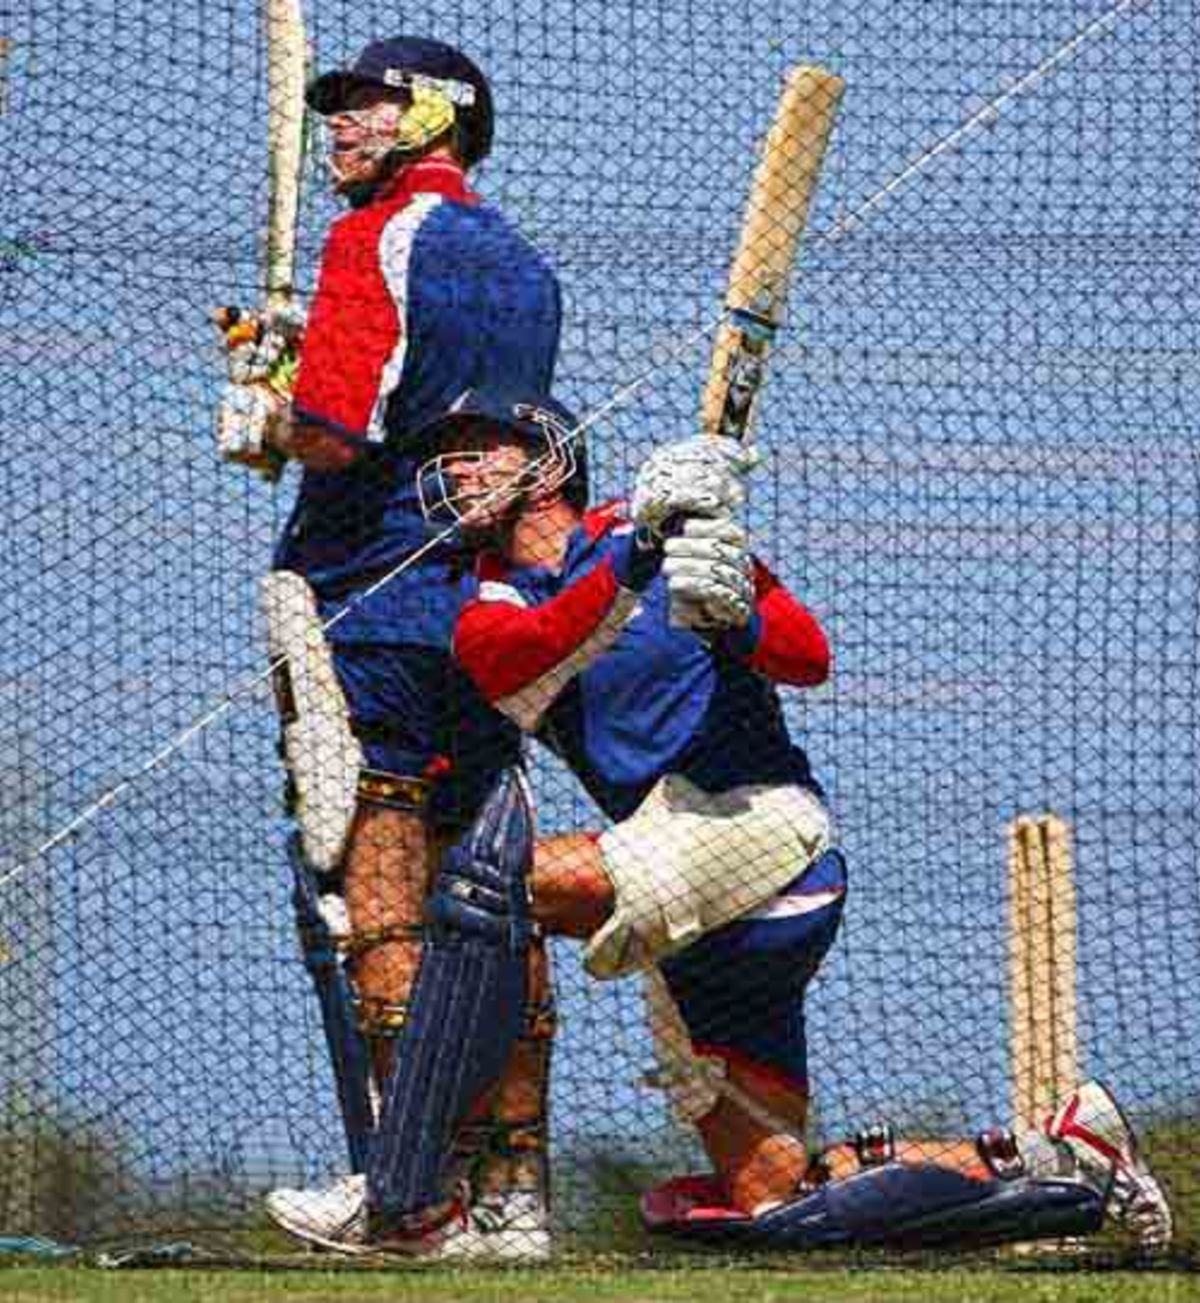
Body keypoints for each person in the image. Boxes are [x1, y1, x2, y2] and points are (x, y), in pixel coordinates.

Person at [277, 387, 1170, 1257]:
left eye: (479, 448)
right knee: (776, 1199)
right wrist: (634, 566)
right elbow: (526, 663)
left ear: (549, 462)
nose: (454, 468)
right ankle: (1062, 1152)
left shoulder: (668, 528)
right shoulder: (488, 604)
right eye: (444, 454)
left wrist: (738, 612)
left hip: (755, 830)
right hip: (687, 884)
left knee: (487, 887)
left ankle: (410, 1197)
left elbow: (807, 655)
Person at [212, 36, 562, 1247]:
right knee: (493, 901)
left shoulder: (375, 238)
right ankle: (516, 1197)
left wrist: (267, 405)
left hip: (367, 594)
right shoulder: (524, 262)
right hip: (489, 611)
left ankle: (408, 1191)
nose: (342, 129)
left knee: (381, 892)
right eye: (339, 109)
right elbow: (456, 413)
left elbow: (341, 430)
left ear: (434, 117)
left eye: (366, 107)